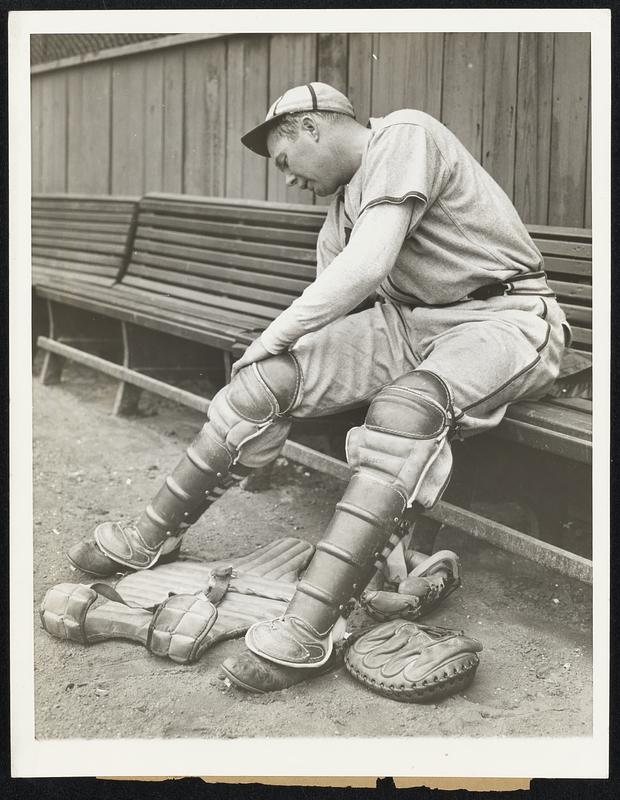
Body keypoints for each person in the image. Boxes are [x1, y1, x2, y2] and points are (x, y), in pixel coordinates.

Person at [67, 82, 569, 693]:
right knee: (265, 381)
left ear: (313, 126)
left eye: (283, 160)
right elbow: (330, 321)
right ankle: (150, 537)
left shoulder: (406, 133)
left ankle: (307, 626)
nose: (285, 179)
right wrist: (265, 399)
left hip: (504, 318)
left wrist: (268, 338)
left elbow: (367, 268)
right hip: (406, 325)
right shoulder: (337, 216)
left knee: (404, 410)